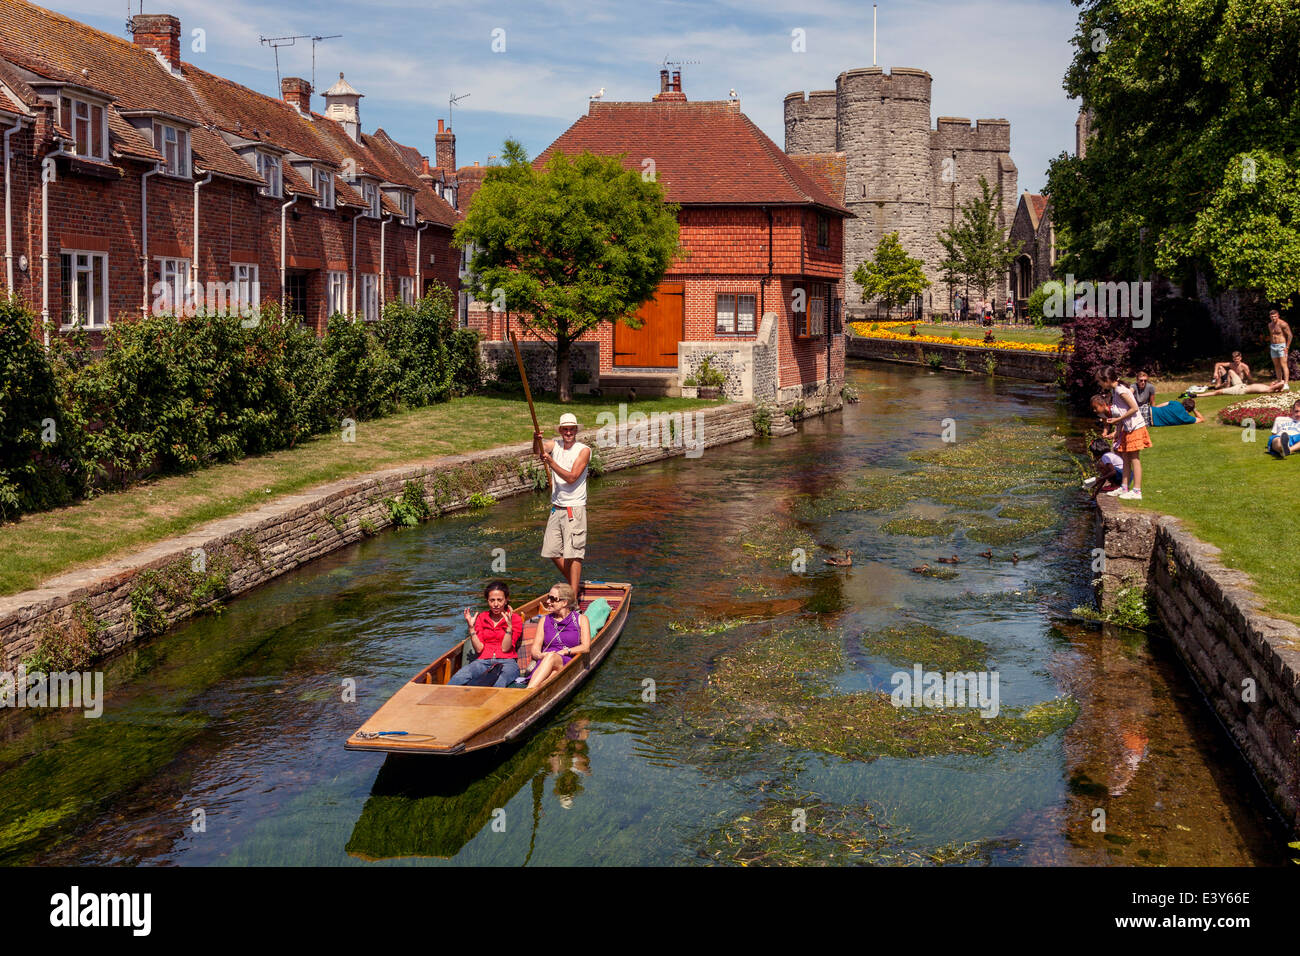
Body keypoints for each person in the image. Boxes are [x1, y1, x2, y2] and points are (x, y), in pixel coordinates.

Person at [538, 412, 591, 596]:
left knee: (573, 553)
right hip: (556, 507)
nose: (568, 432)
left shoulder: (583, 450)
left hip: (573, 508)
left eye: (571, 429)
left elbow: (571, 477)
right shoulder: (556, 444)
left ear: (576, 430)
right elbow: (538, 450)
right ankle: (573, 585)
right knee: (551, 550)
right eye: (565, 429)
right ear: (560, 431)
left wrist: (551, 462)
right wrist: (536, 439)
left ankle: (573, 598)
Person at [449, 580, 524, 687]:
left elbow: (505, 649)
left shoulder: (515, 619)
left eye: (500, 600)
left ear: (506, 600)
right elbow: (479, 649)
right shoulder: (481, 617)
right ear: (487, 601)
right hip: (482, 661)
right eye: (492, 600)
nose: (496, 604)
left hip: (507, 662)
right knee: (459, 677)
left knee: (499, 683)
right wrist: (471, 628)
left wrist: (509, 628)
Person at [1097, 365, 1150, 500]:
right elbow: (1121, 411)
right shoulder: (1115, 390)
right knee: (1125, 458)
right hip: (1127, 428)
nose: (1099, 384)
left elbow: (1134, 408)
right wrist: (1117, 431)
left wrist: (1117, 419)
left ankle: (1137, 491)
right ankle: (1124, 487)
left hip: (1135, 427)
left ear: (1107, 379)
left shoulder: (1121, 390)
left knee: (1134, 459)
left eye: (1100, 381)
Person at [525, 583, 591, 689]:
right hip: (546, 662)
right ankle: (532, 692)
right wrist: (541, 655)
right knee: (551, 671)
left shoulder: (581, 619)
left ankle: (527, 691)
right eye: (548, 598)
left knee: (552, 658)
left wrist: (565, 651)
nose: (548, 602)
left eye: (552, 599)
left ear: (564, 602)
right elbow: (535, 650)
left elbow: (585, 647)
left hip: (568, 661)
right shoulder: (544, 620)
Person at [1267, 308, 1292, 391]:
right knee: (1276, 365)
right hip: (1273, 346)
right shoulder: (1270, 325)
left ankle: (1286, 383)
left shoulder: (1283, 324)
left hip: (1282, 346)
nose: (1273, 318)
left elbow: (1290, 335)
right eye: (1272, 317)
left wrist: (1287, 347)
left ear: (1278, 316)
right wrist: (1271, 345)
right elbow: (1272, 336)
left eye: (1275, 316)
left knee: (1283, 364)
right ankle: (1279, 382)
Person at [1200, 379, 1286, 397]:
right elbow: (1281, 383)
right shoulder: (1267, 387)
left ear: (1274, 387)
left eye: (1275, 383)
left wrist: (1279, 388)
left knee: (1218, 392)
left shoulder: (1268, 389)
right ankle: (1227, 384)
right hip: (1241, 384)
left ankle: (1198, 395)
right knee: (1230, 371)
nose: (1274, 382)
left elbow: (1282, 382)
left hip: (1240, 390)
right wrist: (1279, 388)